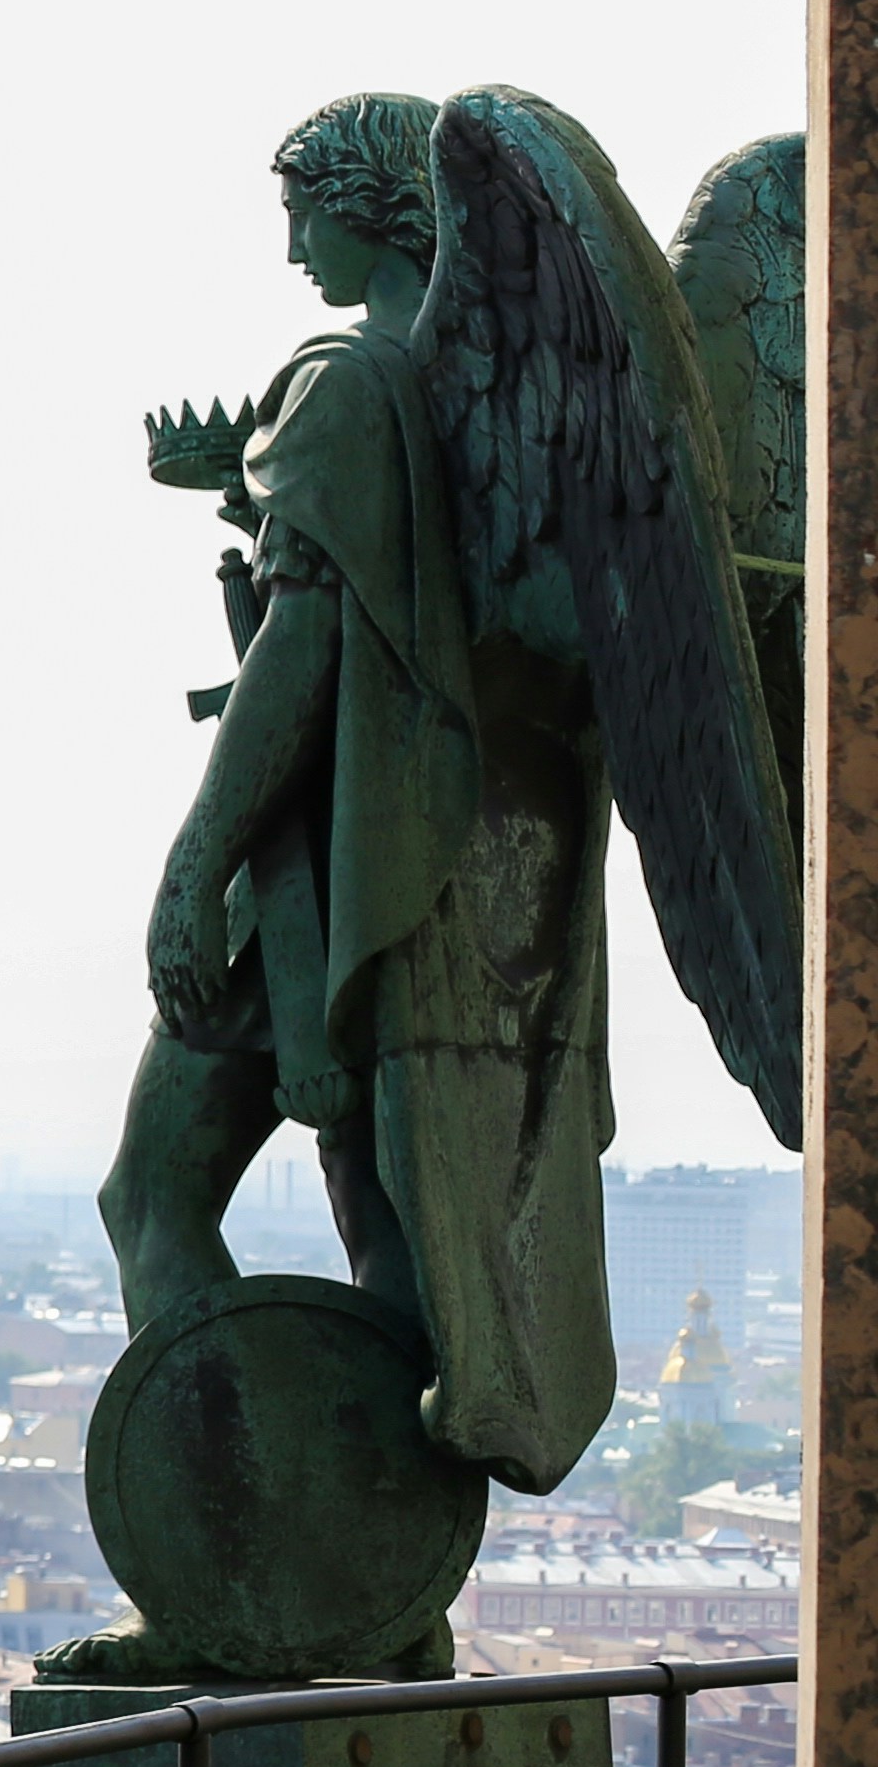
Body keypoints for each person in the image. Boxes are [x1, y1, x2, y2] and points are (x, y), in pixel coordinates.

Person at [75, 95, 621, 1672]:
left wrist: (197, 862)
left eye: (301, 206)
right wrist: (249, 502)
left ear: (368, 208)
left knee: (156, 1191)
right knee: (396, 1237)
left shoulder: (342, 379)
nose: (290, 241)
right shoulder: (471, 390)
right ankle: (383, 1612)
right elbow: (427, 617)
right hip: (444, 888)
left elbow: (314, 645)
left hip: (313, 874)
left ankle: (233, 1582)